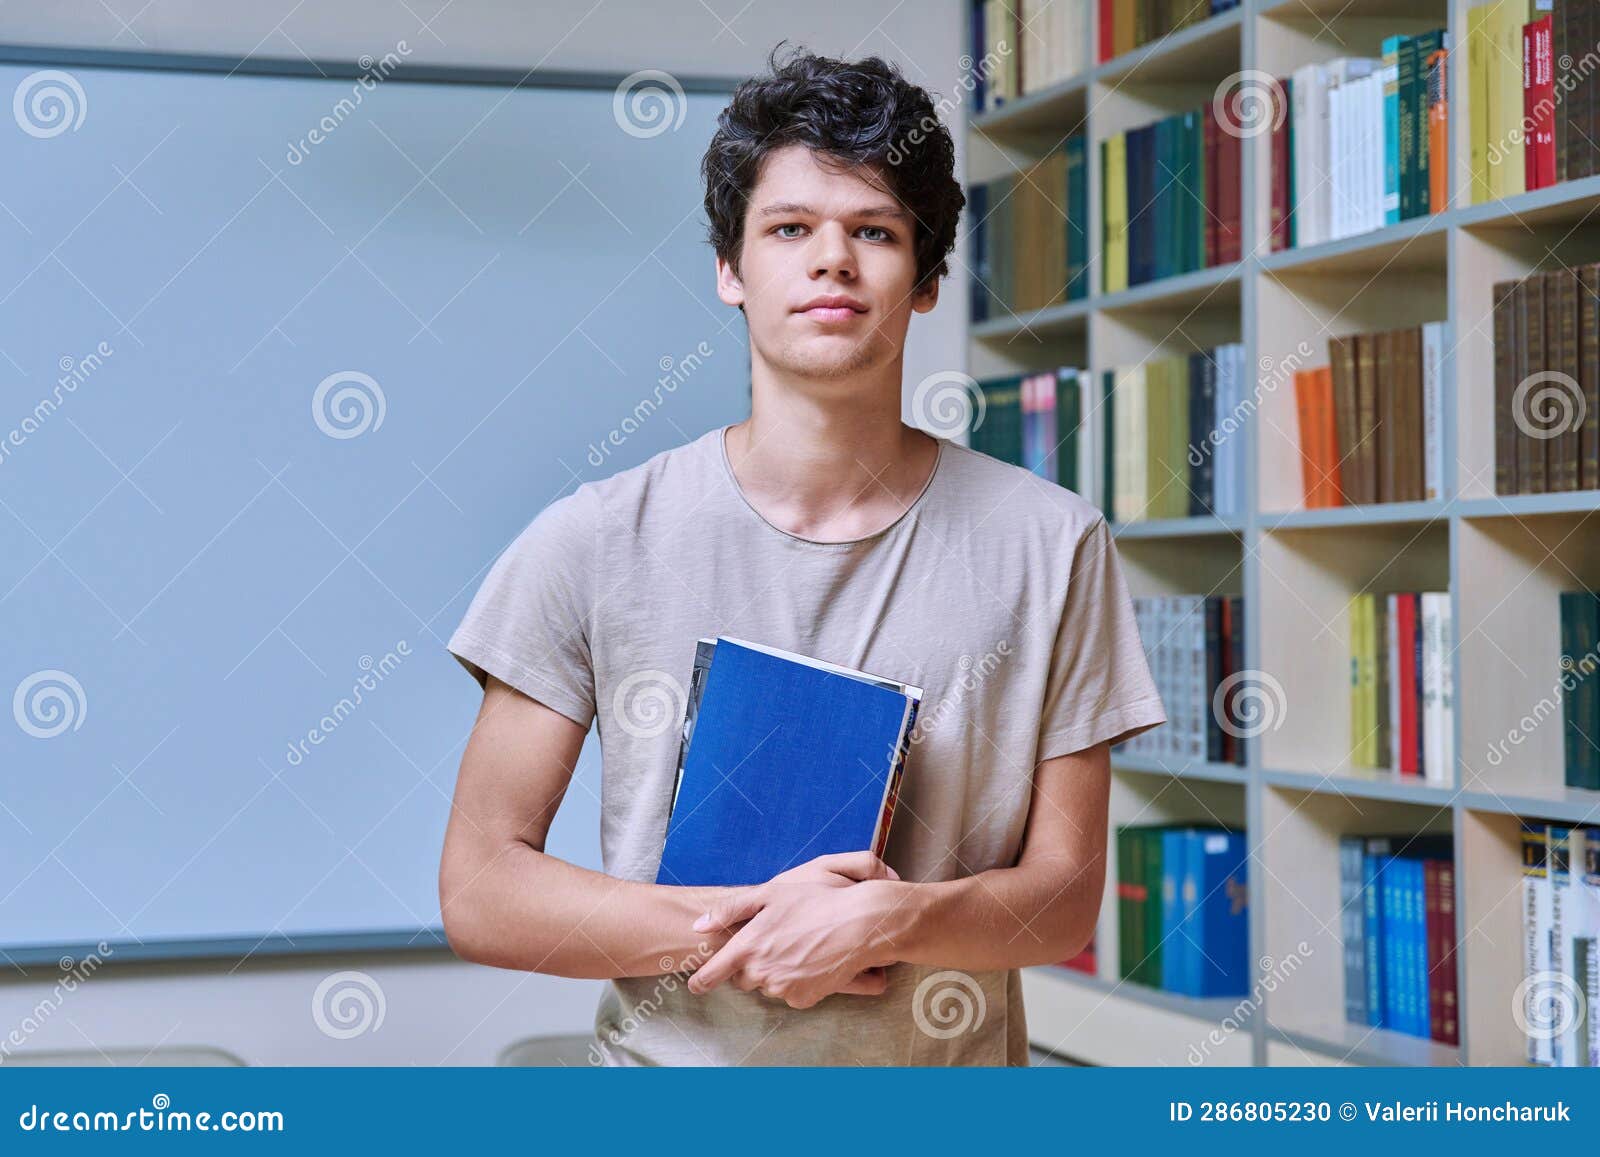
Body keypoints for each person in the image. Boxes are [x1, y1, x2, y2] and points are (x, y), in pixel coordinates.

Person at [438, 44, 1165, 1066]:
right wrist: (755, 926)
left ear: (922, 279)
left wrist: (890, 920)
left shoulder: (1051, 544)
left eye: (873, 230)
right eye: (789, 229)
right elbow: (480, 889)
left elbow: (1062, 903)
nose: (833, 259)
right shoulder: (593, 537)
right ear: (731, 269)